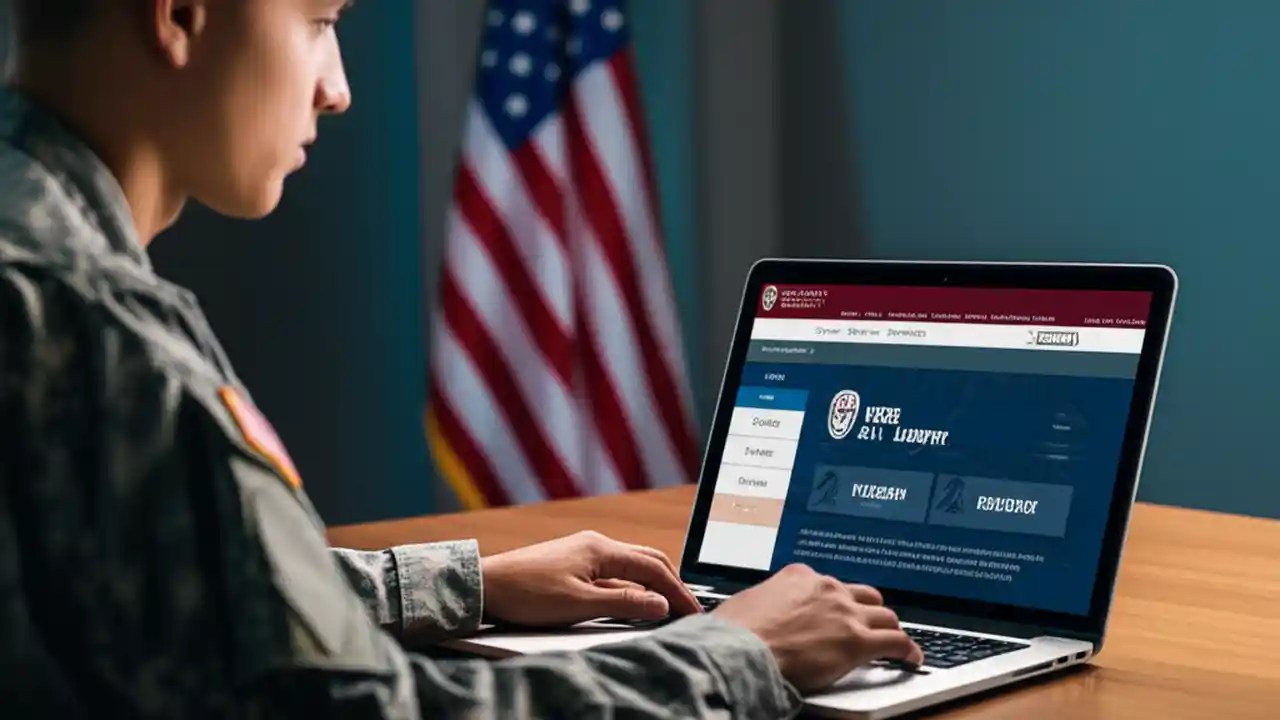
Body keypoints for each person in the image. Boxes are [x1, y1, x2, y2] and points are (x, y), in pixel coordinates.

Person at [0, 1, 922, 717]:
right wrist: (736, 655)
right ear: (181, 14)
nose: (337, 87)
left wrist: (470, 584)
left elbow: (185, 596)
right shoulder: (106, 342)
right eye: (318, 23)